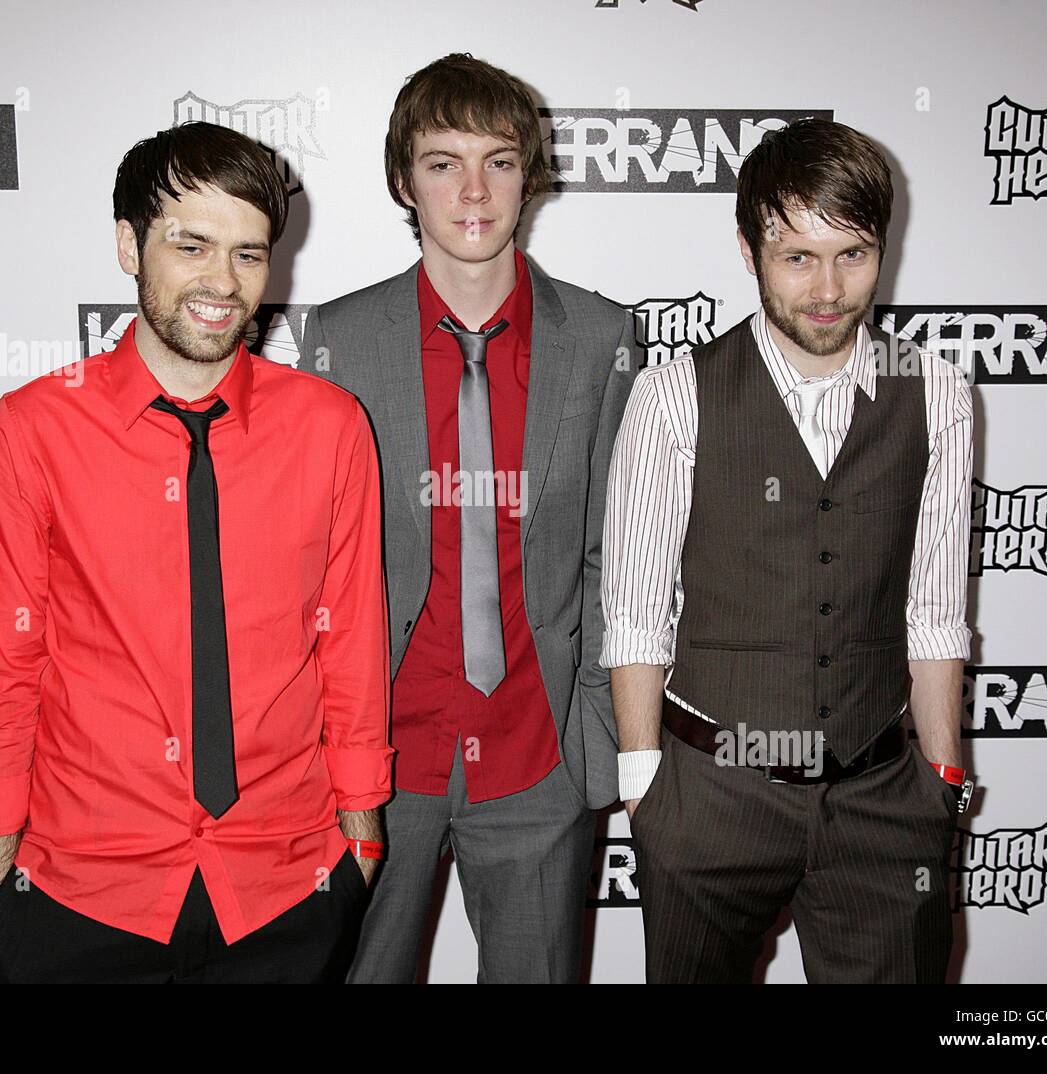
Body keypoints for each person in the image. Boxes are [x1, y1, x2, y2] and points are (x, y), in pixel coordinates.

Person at [0, 121, 392, 983]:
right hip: (78, 890)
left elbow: (351, 646)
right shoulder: (33, 431)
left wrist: (362, 835)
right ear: (129, 245)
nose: (223, 284)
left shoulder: (330, 427)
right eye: (192, 245)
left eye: (250, 255)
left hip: (287, 886)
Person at [602, 118, 975, 984]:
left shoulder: (939, 394)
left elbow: (935, 612)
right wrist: (647, 793)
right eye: (797, 256)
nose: (828, 288)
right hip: (710, 796)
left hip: (884, 797)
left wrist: (944, 778)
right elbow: (635, 613)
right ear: (747, 250)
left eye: (853, 254)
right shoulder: (674, 397)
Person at [297, 53, 637, 983]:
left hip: (538, 757)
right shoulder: (334, 341)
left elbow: (614, 553)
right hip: (374, 765)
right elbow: (307, 568)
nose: (474, 189)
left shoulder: (603, 337)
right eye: (443, 162)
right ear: (404, 180)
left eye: (499, 159)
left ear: (531, 173)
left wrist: (592, 743)